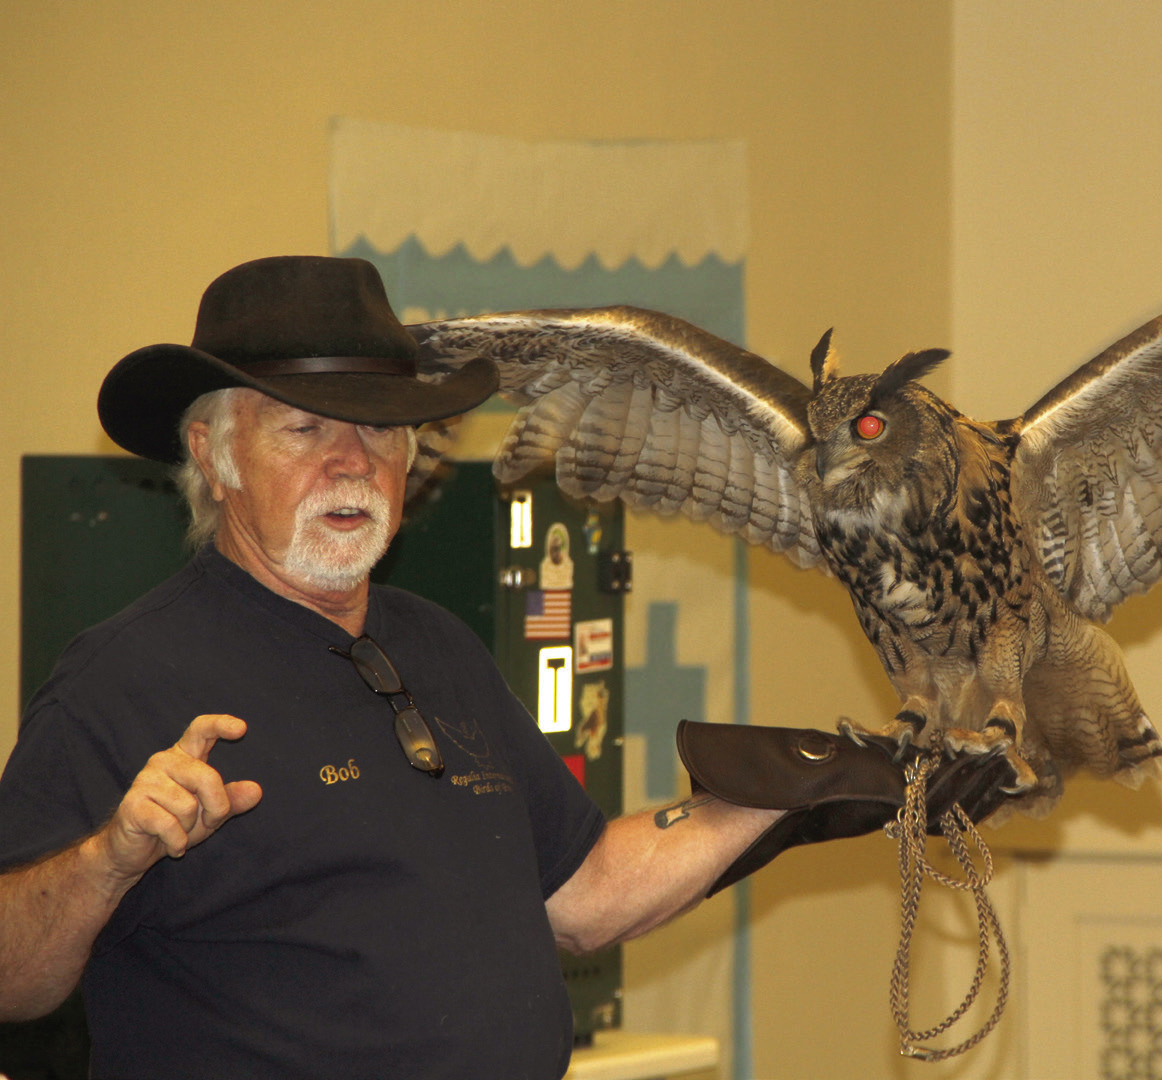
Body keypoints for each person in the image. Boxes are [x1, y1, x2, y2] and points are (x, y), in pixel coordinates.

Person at [0, 257, 787, 1079]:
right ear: (214, 454)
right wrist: (108, 860)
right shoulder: (123, 677)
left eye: (379, 429)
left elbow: (584, 891)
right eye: (304, 429)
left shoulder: (440, 647)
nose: (352, 461)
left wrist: (803, 791)